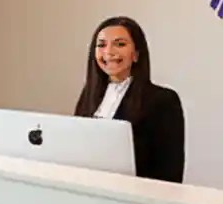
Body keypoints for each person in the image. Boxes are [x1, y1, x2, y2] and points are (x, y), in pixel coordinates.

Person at [73, 16, 185, 183]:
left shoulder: (163, 100)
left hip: (135, 199)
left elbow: (170, 173)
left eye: (120, 44)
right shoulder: (88, 96)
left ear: (136, 54)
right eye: (101, 45)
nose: (109, 52)